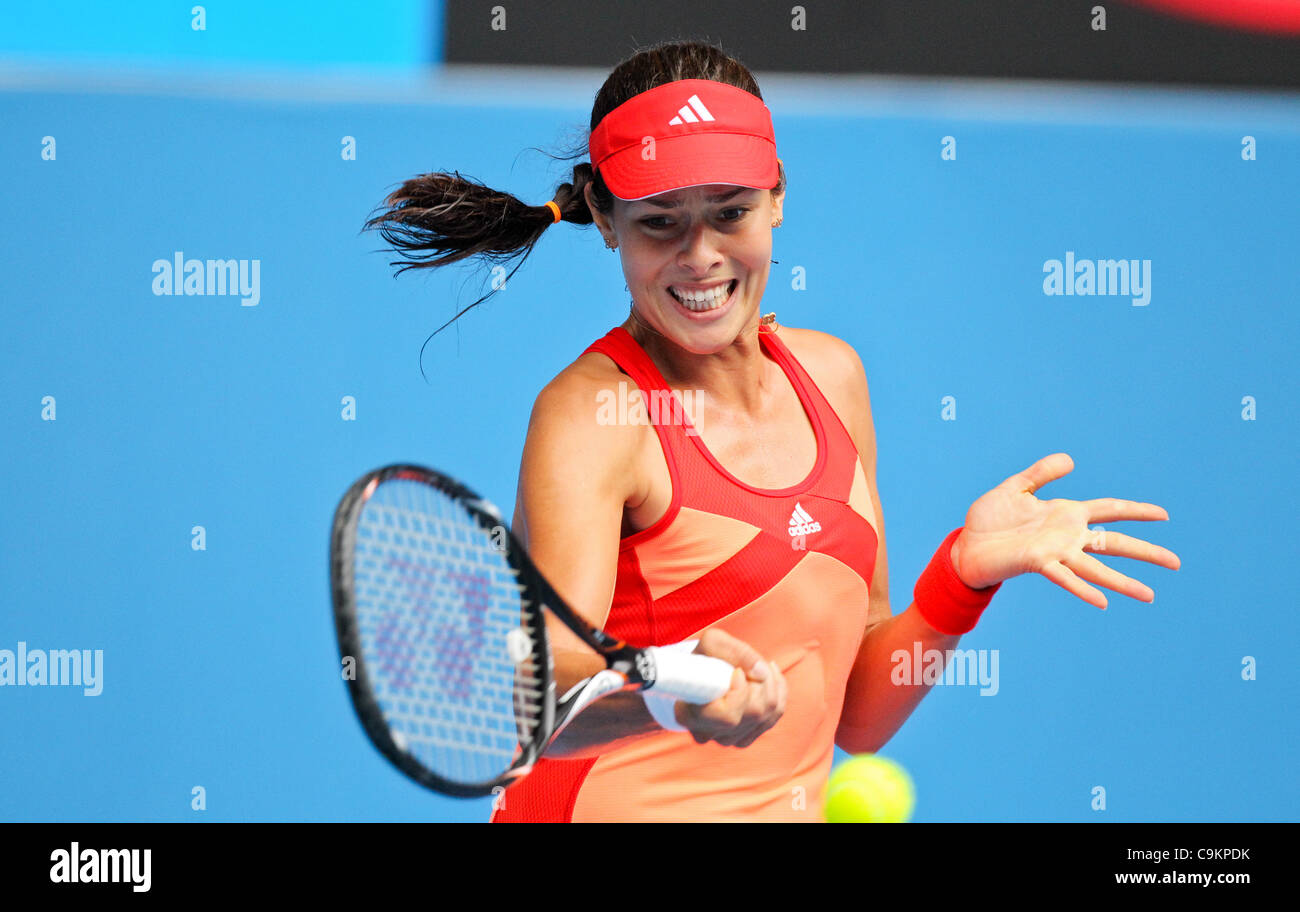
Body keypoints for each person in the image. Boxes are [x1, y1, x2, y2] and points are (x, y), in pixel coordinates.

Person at [365, 40, 1181, 822]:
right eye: (659, 223)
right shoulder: (592, 416)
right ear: (606, 221)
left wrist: (962, 577)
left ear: (778, 195)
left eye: (730, 213)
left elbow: (853, 714)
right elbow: (533, 700)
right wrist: (671, 693)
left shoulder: (834, 376)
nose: (700, 256)